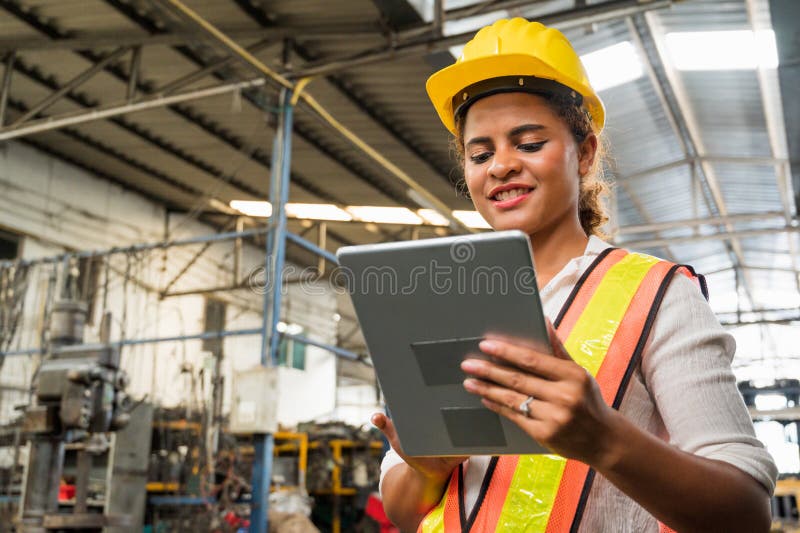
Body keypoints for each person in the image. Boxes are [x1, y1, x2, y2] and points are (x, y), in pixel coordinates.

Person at [370, 18, 777, 533]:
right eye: (481, 153)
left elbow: (746, 514)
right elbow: (406, 514)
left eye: (529, 143)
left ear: (584, 153)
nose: (500, 166)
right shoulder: (437, 304)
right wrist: (428, 467)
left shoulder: (659, 295)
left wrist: (604, 437)